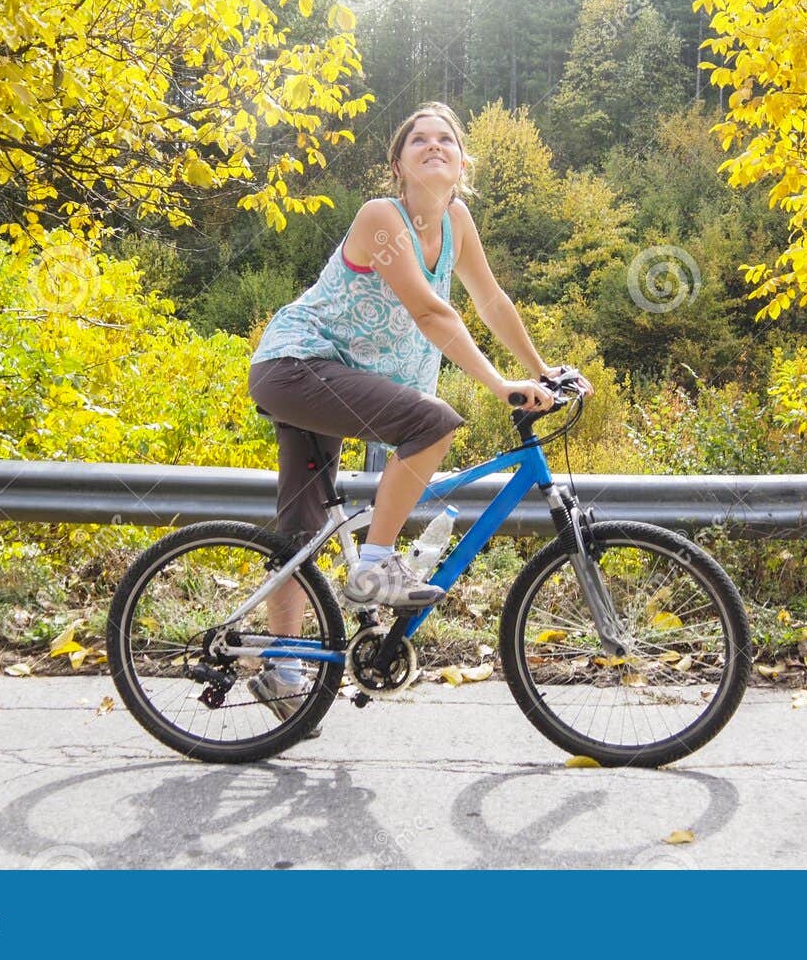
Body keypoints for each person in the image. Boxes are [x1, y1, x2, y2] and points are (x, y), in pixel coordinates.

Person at [245, 101, 593, 723]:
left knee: (300, 529)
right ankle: (375, 566)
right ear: (399, 166)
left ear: (462, 164)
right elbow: (431, 311)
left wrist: (540, 370)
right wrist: (499, 385)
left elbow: (490, 298)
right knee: (431, 422)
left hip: (339, 379)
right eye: (419, 140)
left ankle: (283, 670)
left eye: (446, 140)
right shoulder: (382, 217)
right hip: (297, 365)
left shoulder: (456, 220)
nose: (434, 146)